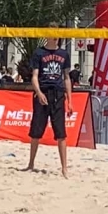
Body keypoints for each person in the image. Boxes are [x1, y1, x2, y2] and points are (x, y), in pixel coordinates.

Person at [26, 41, 73, 177]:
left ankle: (64, 168)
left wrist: (70, 101)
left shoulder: (64, 54)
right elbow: (34, 77)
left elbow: (67, 78)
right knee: (36, 131)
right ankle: (31, 164)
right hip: (43, 92)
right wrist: (39, 93)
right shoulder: (39, 53)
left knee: (61, 133)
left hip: (58, 95)